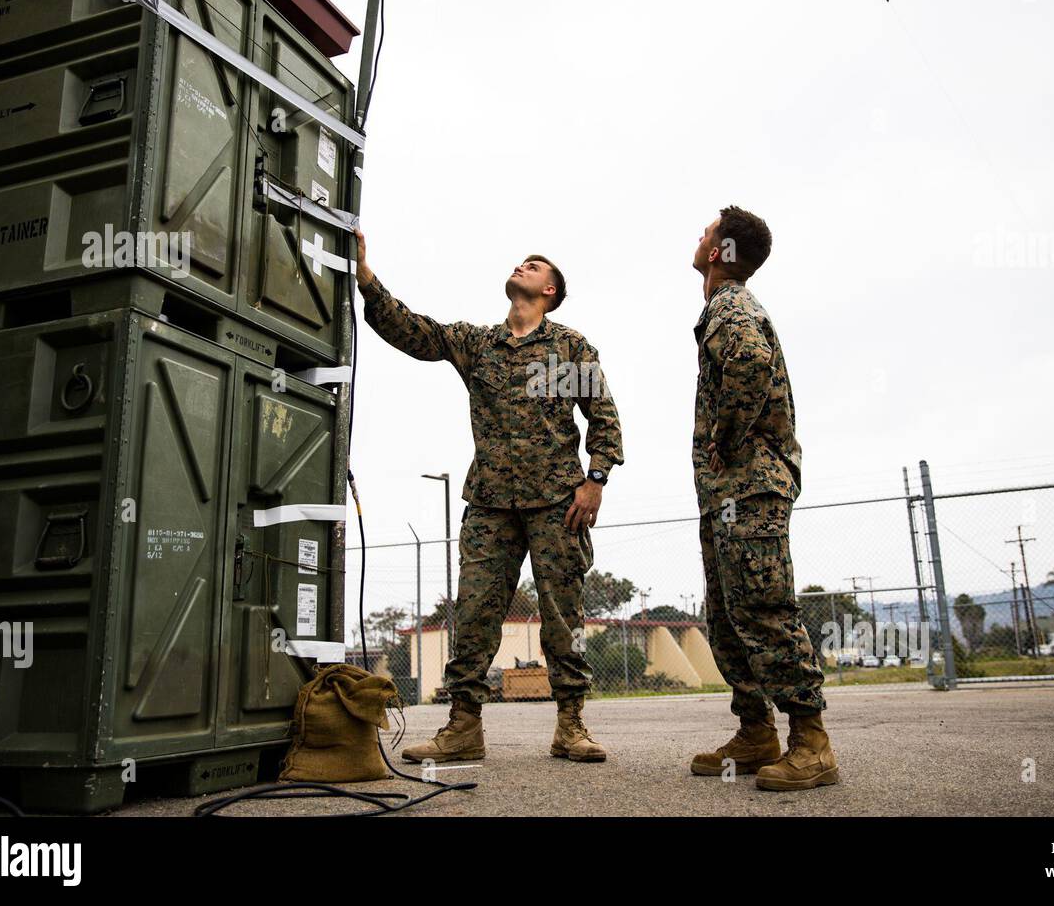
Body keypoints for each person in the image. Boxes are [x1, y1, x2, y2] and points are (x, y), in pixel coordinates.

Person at [353, 229, 623, 763]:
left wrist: (595, 481)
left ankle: (571, 725)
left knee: (563, 614)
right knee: (474, 613)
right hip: (491, 503)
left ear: (550, 291)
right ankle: (463, 726)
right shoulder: (479, 344)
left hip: (556, 503)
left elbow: (605, 420)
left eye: (535, 266)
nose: (522, 266)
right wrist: (365, 275)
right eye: (521, 262)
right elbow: (413, 331)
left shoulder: (569, 348)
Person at [687, 206, 839, 791]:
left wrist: (726, 440)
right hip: (728, 493)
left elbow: (749, 365)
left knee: (765, 609)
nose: (698, 237)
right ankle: (756, 731)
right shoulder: (722, 309)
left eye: (705, 231)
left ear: (722, 252)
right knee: (728, 615)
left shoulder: (732, 307)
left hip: (751, 487)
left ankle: (812, 741)